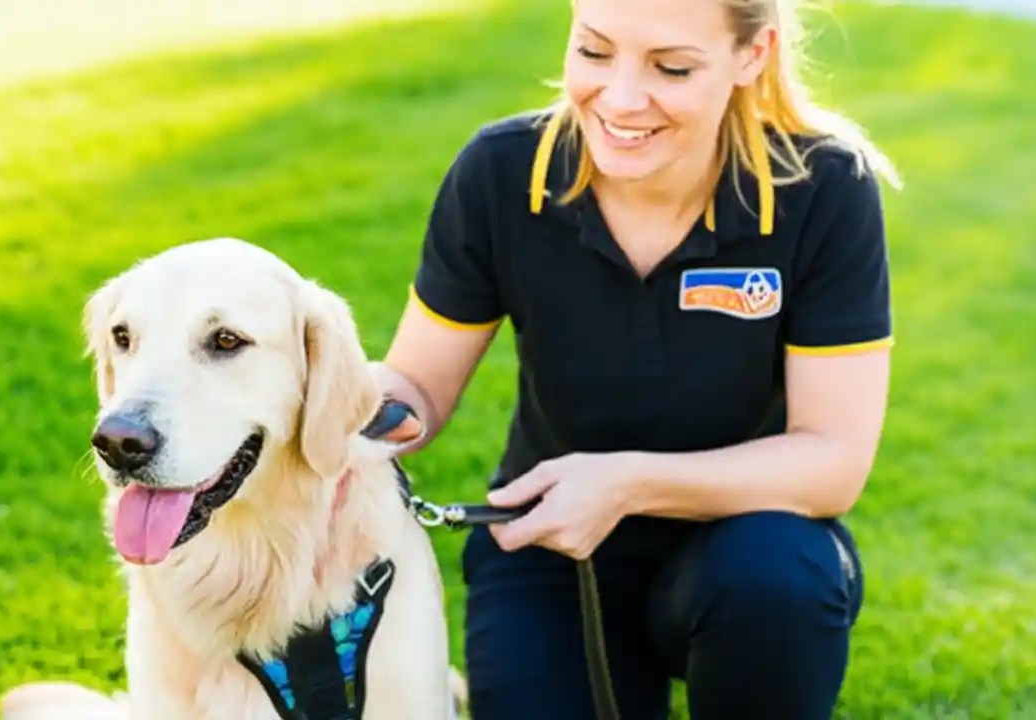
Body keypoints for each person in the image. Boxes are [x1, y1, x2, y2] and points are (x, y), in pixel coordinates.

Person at [370, 0, 900, 717]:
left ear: (753, 55)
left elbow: (832, 461)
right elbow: (416, 389)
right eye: (593, 51)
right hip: (549, 546)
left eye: (671, 67)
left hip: (744, 546)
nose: (619, 99)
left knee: (779, 578)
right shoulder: (500, 173)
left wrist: (626, 483)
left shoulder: (824, 188)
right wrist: (354, 411)